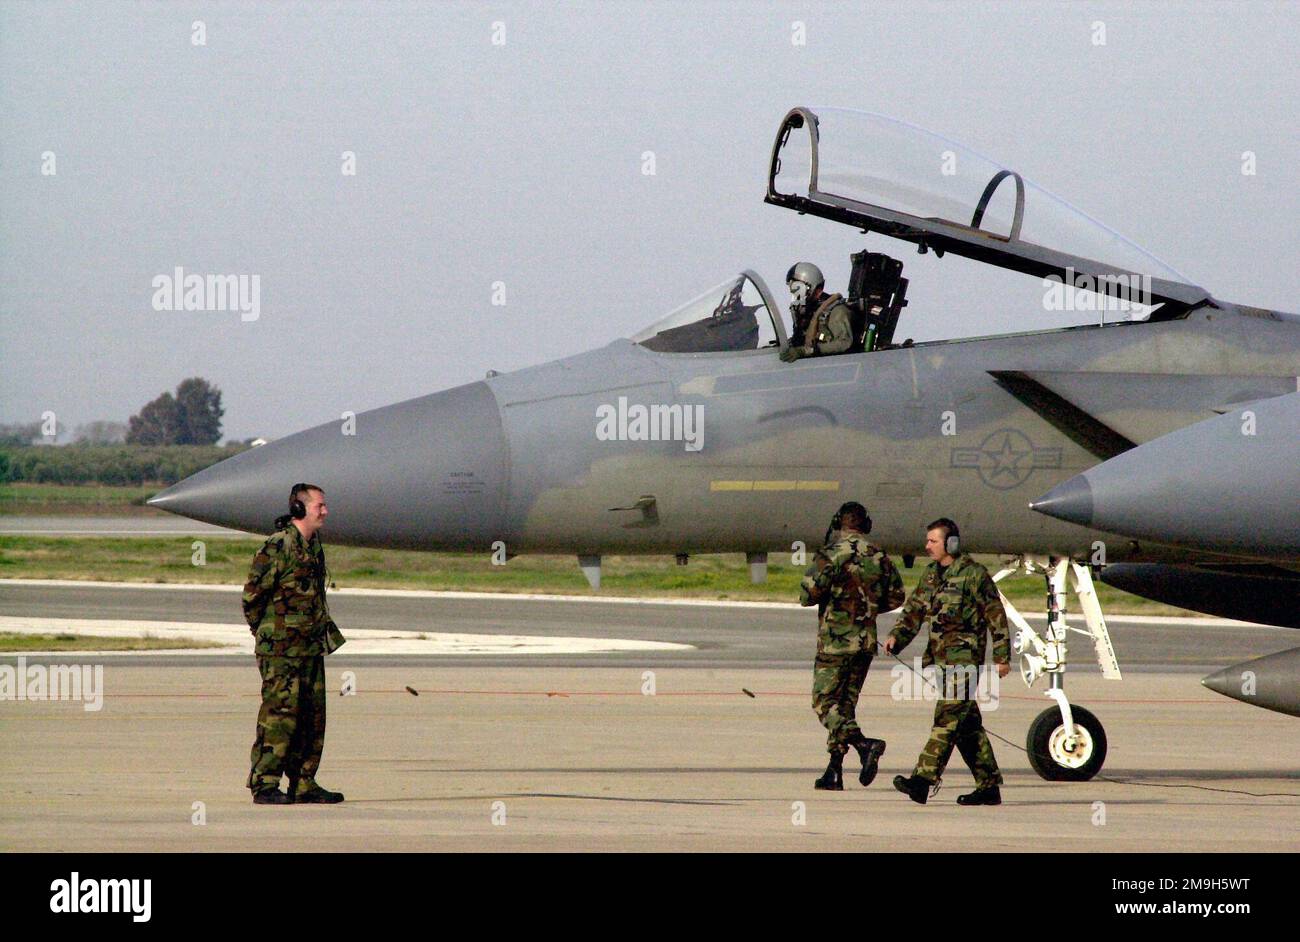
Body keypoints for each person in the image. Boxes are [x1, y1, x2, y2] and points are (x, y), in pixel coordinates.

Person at [884, 518, 1010, 806]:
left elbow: (995, 616)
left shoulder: (974, 575)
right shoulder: (930, 575)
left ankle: (922, 780)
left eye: (933, 541)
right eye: (927, 541)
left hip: (965, 661)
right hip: (942, 661)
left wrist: (1002, 657)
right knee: (966, 726)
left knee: (946, 718)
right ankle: (988, 786)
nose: (927, 546)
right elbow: (914, 612)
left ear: (951, 543)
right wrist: (896, 637)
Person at [243, 483, 347, 805]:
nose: (325, 511)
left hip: (310, 646)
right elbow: (252, 598)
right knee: (279, 716)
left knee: (312, 717)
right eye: (320, 506)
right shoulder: (278, 546)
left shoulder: (313, 545)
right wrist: (269, 635)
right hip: (281, 650)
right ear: (300, 509)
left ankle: (304, 782)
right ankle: (264, 784)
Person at [799, 501, 906, 789]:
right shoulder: (879, 555)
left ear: (839, 523)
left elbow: (807, 595)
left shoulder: (831, 554)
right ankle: (834, 769)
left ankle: (863, 744)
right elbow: (897, 597)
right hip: (864, 643)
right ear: (865, 524)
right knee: (845, 707)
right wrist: (866, 609)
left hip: (835, 643)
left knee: (824, 704)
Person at [780, 261, 854, 362]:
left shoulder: (837, 311)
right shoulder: (804, 311)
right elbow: (799, 337)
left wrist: (807, 351)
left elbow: (845, 343)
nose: (793, 292)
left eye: (797, 287)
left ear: (810, 286)